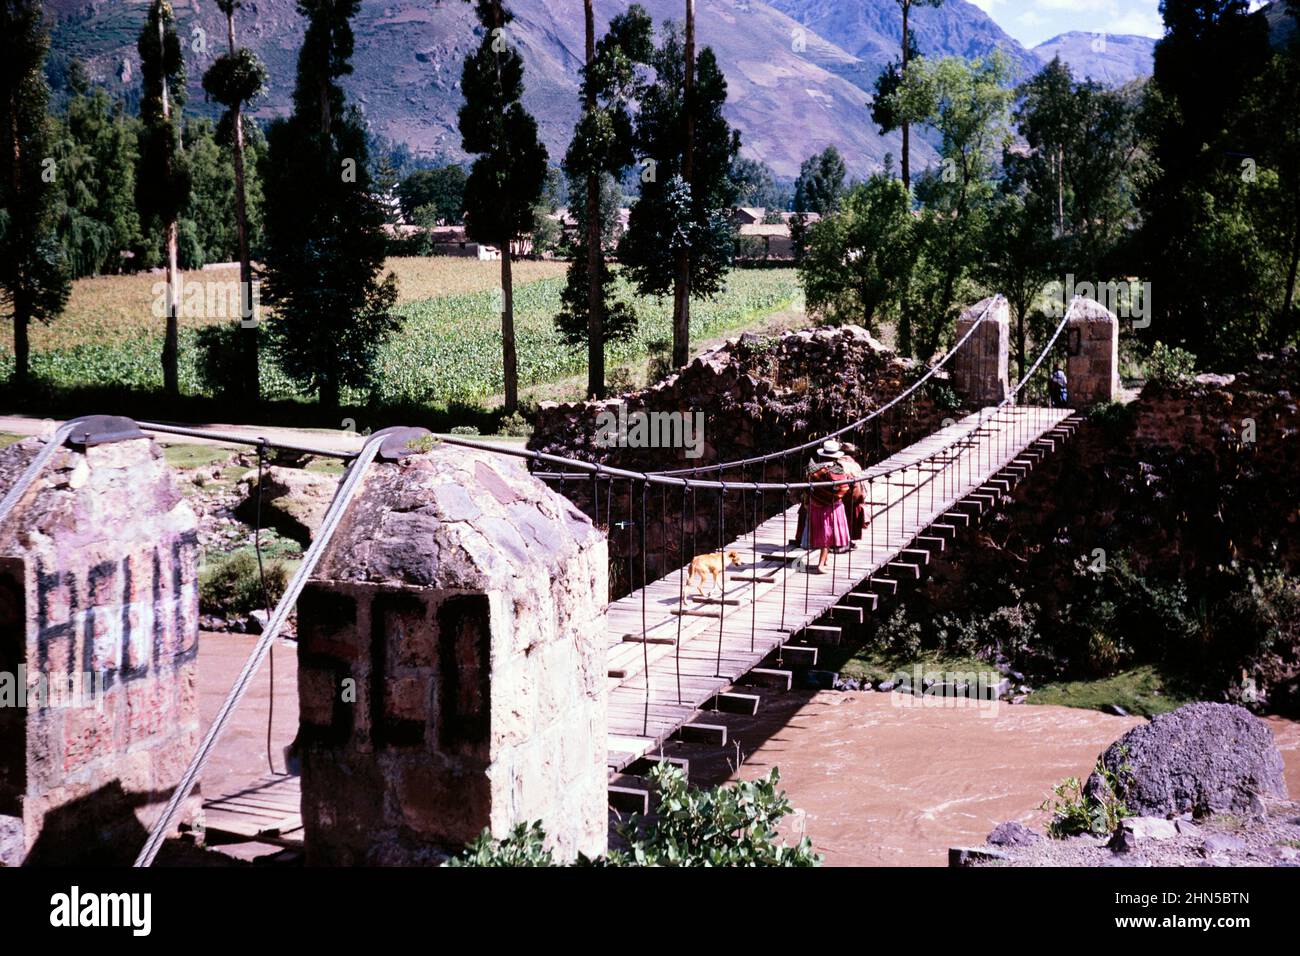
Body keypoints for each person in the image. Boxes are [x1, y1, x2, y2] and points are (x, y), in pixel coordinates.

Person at [806, 441, 851, 573]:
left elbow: (808, 487)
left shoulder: (813, 469)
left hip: (815, 505)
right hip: (832, 506)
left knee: (823, 533)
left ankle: (824, 560)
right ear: (836, 456)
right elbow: (843, 488)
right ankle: (820, 565)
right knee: (827, 534)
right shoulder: (838, 469)